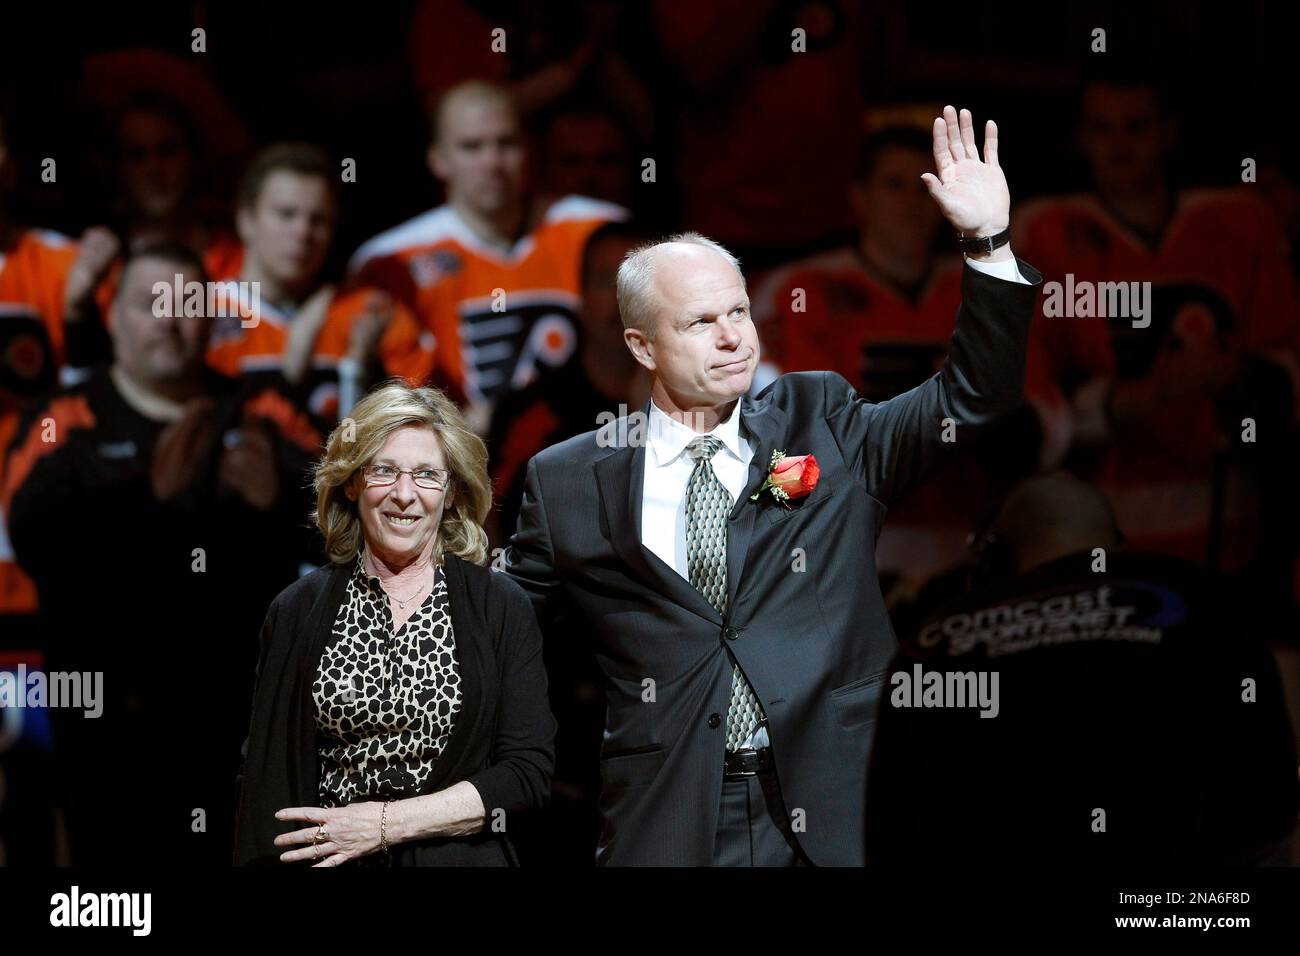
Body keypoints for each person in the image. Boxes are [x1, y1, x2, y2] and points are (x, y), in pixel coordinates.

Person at [503, 106, 1041, 865]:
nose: (733, 337)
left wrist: (986, 245)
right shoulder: (566, 481)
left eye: (738, 312)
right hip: (671, 820)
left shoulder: (821, 420)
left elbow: (971, 399)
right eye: (700, 323)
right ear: (641, 345)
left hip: (843, 806)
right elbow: (500, 633)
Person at [2, 241, 322, 865]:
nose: (170, 320)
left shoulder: (264, 412)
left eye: (187, 304)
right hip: (111, 734)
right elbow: (31, 534)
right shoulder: (66, 418)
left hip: (245, 731)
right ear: (113, 316)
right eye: (151, 303)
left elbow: (353, 527)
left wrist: (281, 500)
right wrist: (145, 492)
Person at [868, 473, 1300, 865]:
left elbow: (895, 837)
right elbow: (1269, 808)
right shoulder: (1208, 601)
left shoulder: (933, 642)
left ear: (993, 559)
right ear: (1115, 544)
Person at [234, 382, 556, 866]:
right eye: (384, 470)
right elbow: (263, 781)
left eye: (427, 475)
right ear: (352, 482)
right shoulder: (297, 610)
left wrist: (383, 825)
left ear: (450, 494)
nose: (405, 495)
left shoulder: (499, 605)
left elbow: (526, 774)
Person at [348, 80, 625, 433]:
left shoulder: (597, 231)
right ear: (438, 160)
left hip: (593, 439)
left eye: (505, 144)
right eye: (472, 147)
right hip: (457, 456)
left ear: (528, 150)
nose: (492, 161)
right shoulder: (390, 262)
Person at [205, 142, 431, 430]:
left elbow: (421, 423)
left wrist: (370, 373)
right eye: (286, 214)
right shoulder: (203, 315)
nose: (302, 232)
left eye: (318, 219)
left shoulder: (371, 312)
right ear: (246, 220)